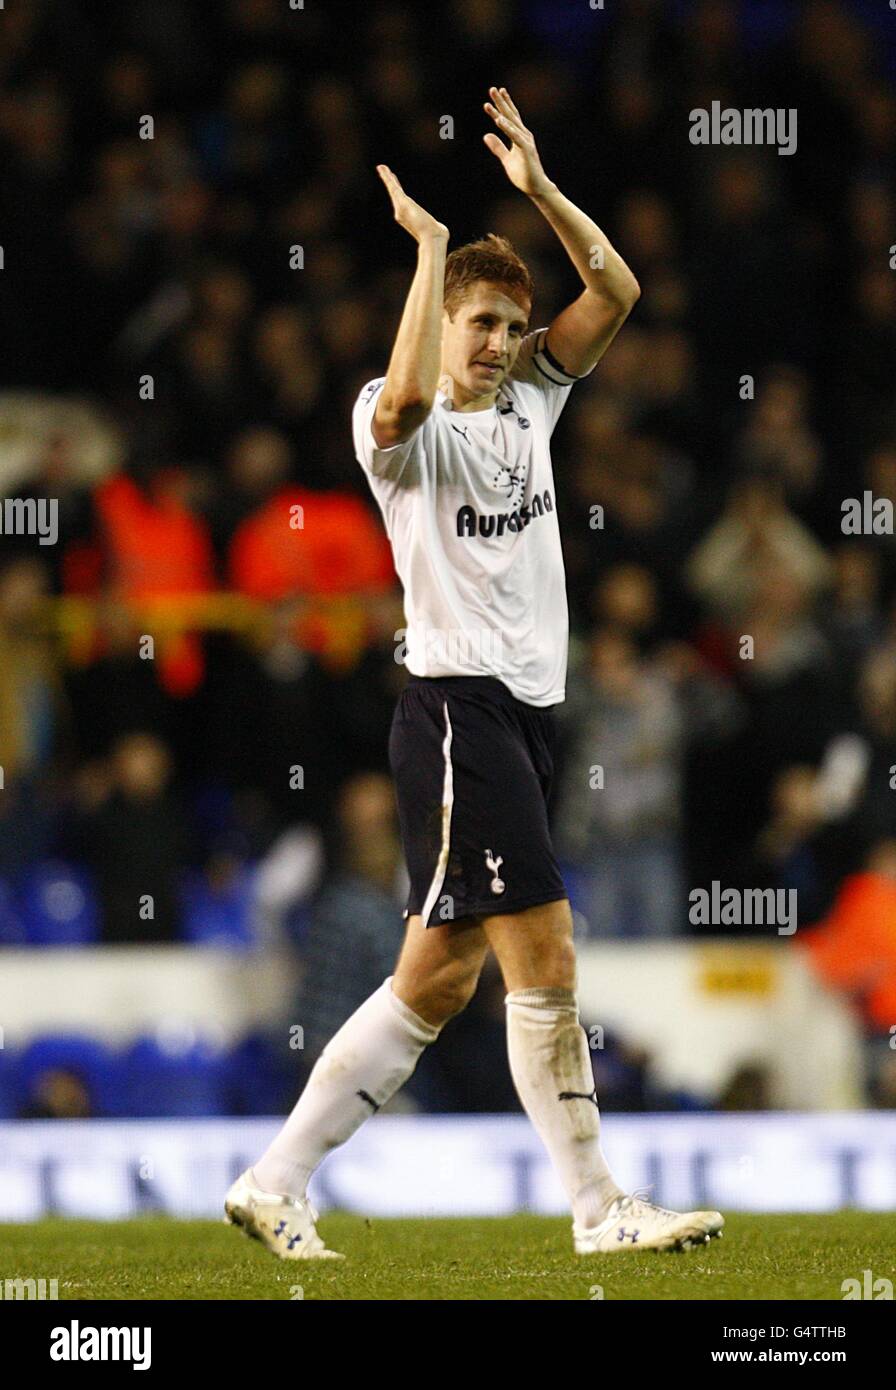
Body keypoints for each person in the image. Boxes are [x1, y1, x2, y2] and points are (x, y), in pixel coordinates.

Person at [225, 85, 723, 1258]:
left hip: (524, 721)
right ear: (444, 324)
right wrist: (436, 253)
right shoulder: (392, 427)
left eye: (509, 323)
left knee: (438, 980)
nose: (499, 342)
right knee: (543, 948)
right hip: (457, 713)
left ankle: (274, 1176)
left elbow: (617, 293)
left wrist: (541, 191)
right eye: (480, 323)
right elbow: (401, 399)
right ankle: (598, 1206)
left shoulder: (535, 399)